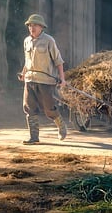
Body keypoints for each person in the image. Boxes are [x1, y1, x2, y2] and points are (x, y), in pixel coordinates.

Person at [18, 13, 67, 144]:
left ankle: (61, 126)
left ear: (41, 27)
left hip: (46, 81)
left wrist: (62, 78)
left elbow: (58, 61)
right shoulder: (26, 41)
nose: (32, 28)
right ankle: (34, 137)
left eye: (35, 25)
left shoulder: (49, 41)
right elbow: (27, 61)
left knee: (49, 108)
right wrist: (23, 73)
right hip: (30, 79)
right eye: (30, 25)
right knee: (29, 107)